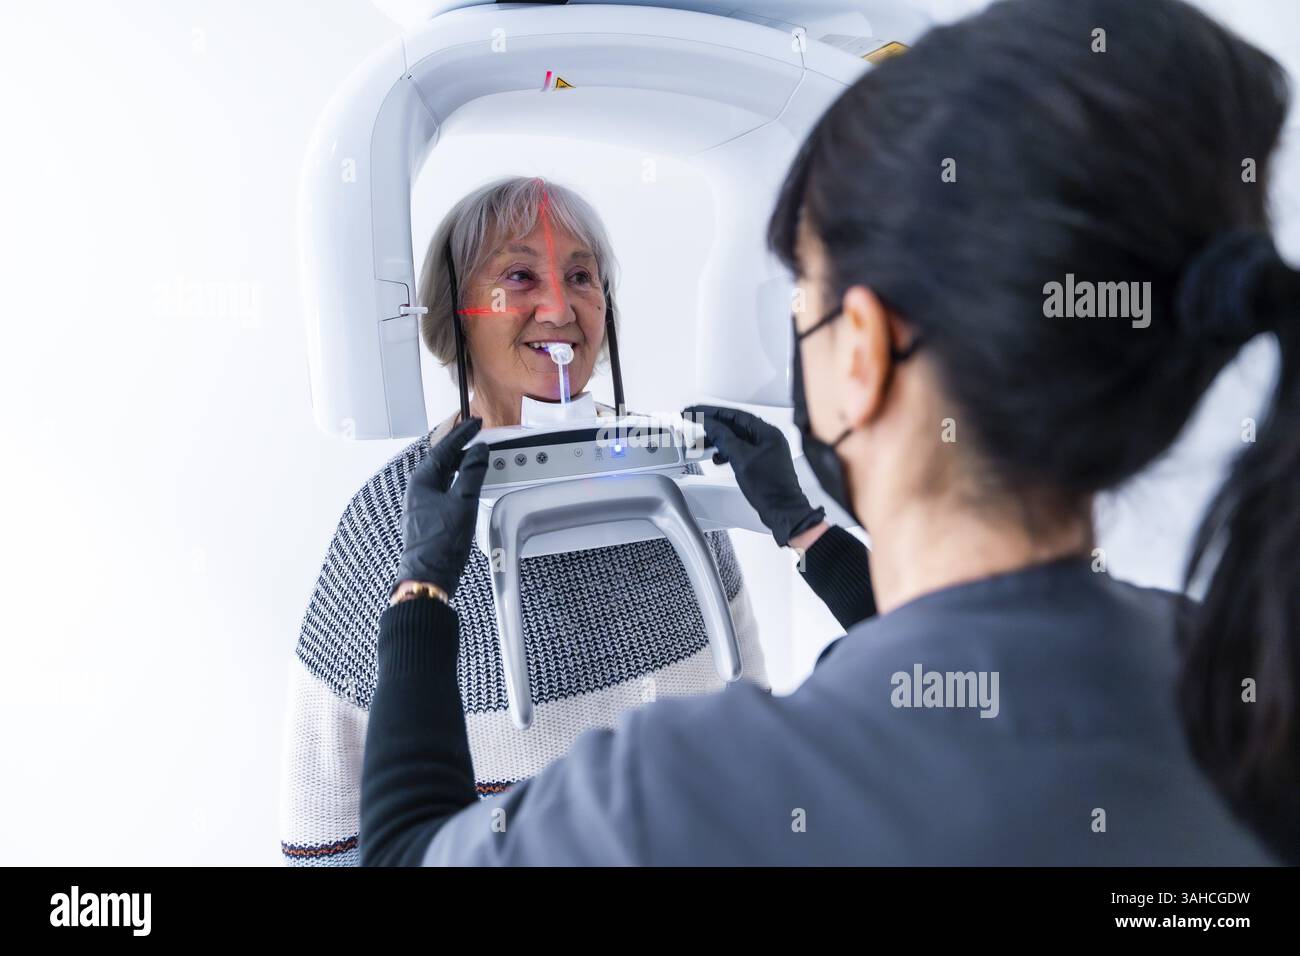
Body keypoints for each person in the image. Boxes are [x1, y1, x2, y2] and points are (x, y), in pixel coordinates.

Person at [358, 0, 1296, 865]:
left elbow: (401, 851)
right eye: (518, 278)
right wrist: (809, 534)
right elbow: (975, 689)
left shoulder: (668, 798)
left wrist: (421, 591)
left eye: (800, 298)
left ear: (865, 353)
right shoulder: (1239, 686)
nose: (560, 305)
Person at [278, 176, 772, 865]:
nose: (559, 305)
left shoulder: (673, 474)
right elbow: (322, 823)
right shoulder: (394, 518)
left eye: (581, 276)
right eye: (519, 274)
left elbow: (750, 724)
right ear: (456, 313)